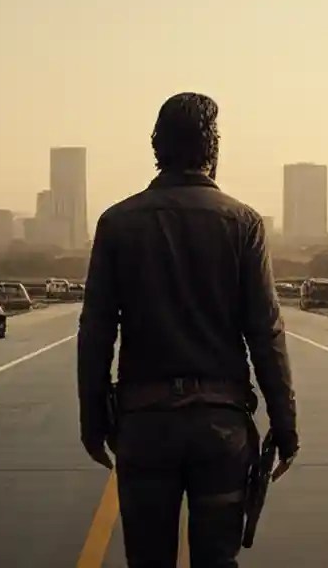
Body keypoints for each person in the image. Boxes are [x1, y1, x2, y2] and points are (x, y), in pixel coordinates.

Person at [77, 92, 299, 568]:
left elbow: (96, 332)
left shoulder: (117, 223)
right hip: (219, 428)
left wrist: (92, 421)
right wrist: (285, 423)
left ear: (157, 147)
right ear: (212, 149)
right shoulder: (243, 223)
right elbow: (265, 332)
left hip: (144, 425)